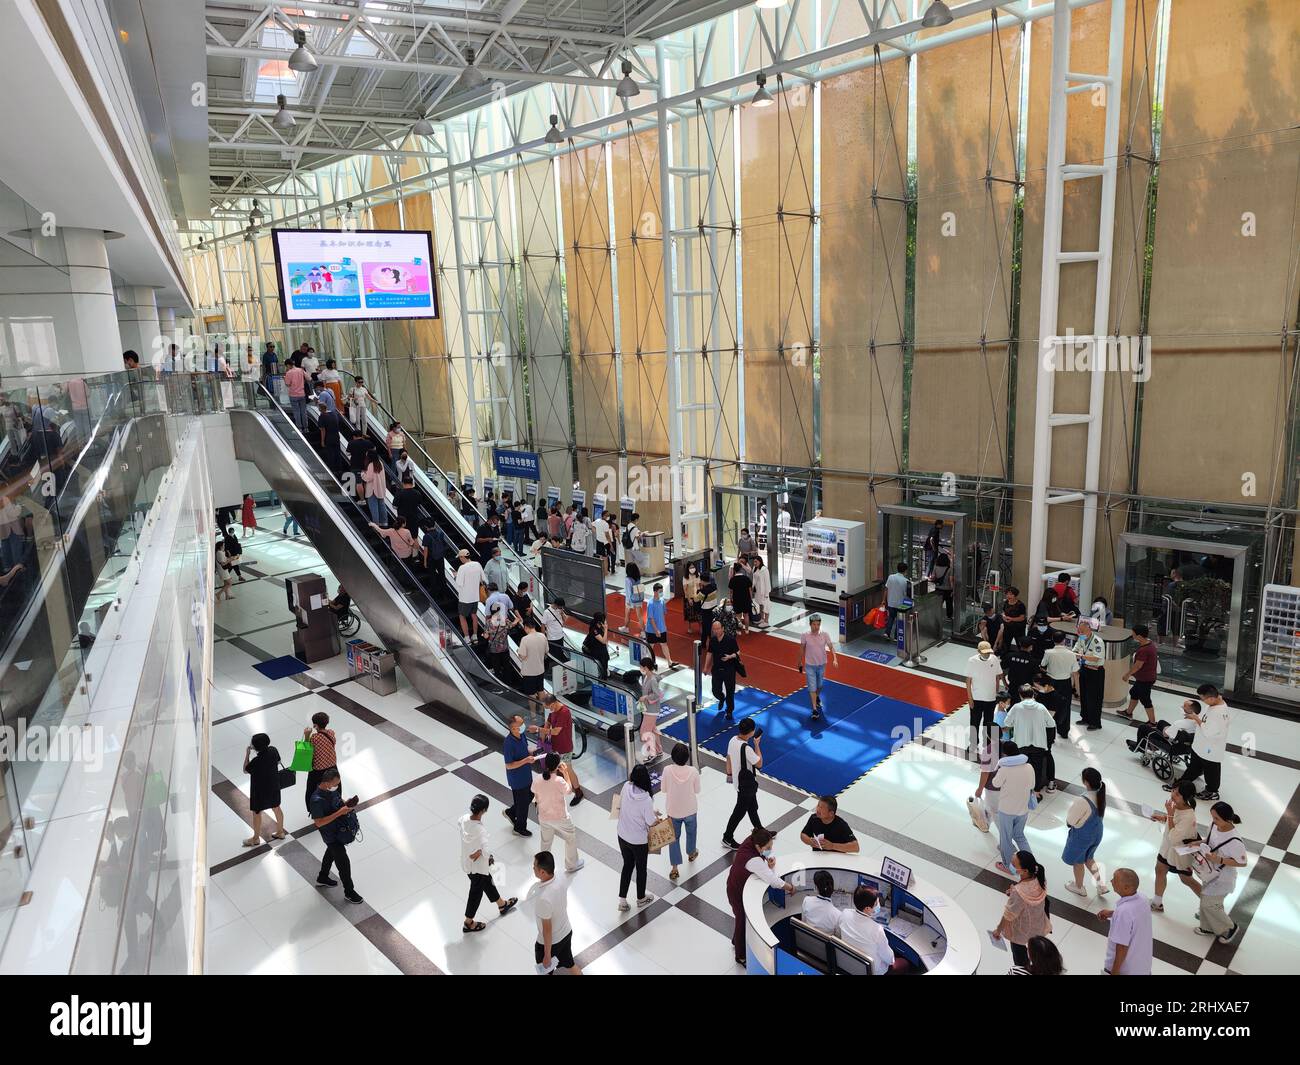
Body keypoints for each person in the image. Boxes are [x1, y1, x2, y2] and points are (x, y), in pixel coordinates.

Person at [726, 827, 794, 964]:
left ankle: (736, 941)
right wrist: (790, 887)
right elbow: (773, 880)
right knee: (742, 921)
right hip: (737, 891)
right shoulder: (753, 860)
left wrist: (768, 857)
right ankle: (740, 956)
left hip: (735, 884)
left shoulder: (751, 840)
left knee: (740, 920)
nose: (770, 849)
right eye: (768, 847)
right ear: (758, 846)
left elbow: (764, 856)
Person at [459, 793, 517, 932]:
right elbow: (485, 851)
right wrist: (481, 853)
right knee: (476, 893)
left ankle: (502, 904)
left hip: (466, 862)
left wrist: (475, 851)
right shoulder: (480, 830)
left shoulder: (462, 819)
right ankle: (468, 922)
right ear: (484, 810)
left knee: (487, 881)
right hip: (478, 867)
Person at [308, 768, 364, 904]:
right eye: (335, 784)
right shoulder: (316, 800)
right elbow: (319, 822)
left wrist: (346, 804)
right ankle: (349, 892)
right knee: (343, 862)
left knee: (331, 853)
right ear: (327, 783)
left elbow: (338, 803)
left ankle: (322, 877)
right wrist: (340, 813)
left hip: (338, 830)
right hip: (330, 834)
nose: (337, 787)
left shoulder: (331, 791)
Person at [1194, 802, 1246, 943]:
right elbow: (1210, 841)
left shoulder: (1235, 841)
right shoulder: (1214, 826)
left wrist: (1219, 859)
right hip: (1209, 870)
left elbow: (1242, 862)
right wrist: (1196, 843)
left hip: (1223, 877)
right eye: (1212, 817)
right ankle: (1207, 927)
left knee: (1209, 904)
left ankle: (1229, 928)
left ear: (1228, 819)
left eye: (1216, 818)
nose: (1213, 821)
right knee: (1207, 900)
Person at [991, 850, 1053, 969]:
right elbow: (1029, 896)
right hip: (1038, 924)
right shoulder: (1040, 879)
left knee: (1020, 959)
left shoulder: (1019, 892)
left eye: (1014, 865)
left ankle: (1023, 970)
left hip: (1021, 931)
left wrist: (998, 930)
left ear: (1025, 871)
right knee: (1035, 952)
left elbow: (1009, 915)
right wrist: (1014, 892)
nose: (1011, 866)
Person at [1171, 683, 1230, 800]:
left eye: (1203, 699)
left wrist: (1196, 718)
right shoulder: (1215, 703)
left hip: (1210, 749)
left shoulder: (1219, 713)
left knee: (1211, 771)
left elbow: (1209, 732)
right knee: (1194, 767)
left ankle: (1212, 791)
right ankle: (1180, 785)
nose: (1202, 701)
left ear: (1212, 698)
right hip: (1201, 746)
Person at [527, 850, 582, 974]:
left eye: (534, 866)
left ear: (542, 872)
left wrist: (547, 955)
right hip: (566, 932)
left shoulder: (543, 899)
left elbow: (547, 930)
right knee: (570, 965)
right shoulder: (561, 877)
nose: (533, 868)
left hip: (551, 943)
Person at [615, 763, 660, 911]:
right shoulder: (646, 799)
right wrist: (656, 817)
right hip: (638, 841)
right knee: (641, 869)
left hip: (622, 834)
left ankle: (622, 900)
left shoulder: (626, 787)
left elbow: (622, 805)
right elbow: (650, 822)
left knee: (627, 865)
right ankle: (641, 898)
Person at [1150, 780, 1199, 912]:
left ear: (1186, 797)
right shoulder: (1176, 806)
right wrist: (1163, 817)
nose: (1172, 795)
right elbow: (1173, 821)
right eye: (1173, 791)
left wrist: (1170, 814)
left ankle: (1210, 905)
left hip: (1179, 853)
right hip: (1167, 849)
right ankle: (1157, 902)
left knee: (1187, 880)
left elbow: (1174, 836)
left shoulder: (1189, 816)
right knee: (1160, 869)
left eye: (1177, 794)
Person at [532, 753, 584, 874]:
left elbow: (535, 795)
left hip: (544, 817)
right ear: (557, 766)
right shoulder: (559, 780)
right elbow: (569, 791)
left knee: (546, 842)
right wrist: (565, 773)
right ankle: (571, 864)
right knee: (570, 838)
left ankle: (543, 867)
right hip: (560, 817)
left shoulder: (537, 779)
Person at [838, 885, 906, 974]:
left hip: (850, 965)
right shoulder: (876, 929)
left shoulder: (845, 913)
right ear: (867, 908)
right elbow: (890, 959)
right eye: (876, 903)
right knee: (904, 963)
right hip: (873, 971)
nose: (878, 905)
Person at [531, 693, 583, 806]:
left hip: (564, 747)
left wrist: (538, 729)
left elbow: (556, 731)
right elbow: (548, 722)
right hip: (554, 746)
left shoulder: (564, 712)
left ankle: (578, 792)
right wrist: (543, 737)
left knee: (568, 769)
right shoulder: (554, 711)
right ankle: (550, 794)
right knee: (553, 769)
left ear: (553, 704)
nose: (548, 710)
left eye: (548, 707)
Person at [1063, 767, 1109, 897]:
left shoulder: (1082, 800)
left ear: (1086, 782)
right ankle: (1101, 885)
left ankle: (1079, 887)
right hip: (1097, 832)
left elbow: (1070, 820)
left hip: (1083, 836)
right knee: (1089, 858)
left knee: (1078, 861)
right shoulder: (1100, 796)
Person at [991, 740, 1035, 877]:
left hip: (1007, 810)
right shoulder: (1029, 766)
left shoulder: (1004, 769)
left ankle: (1009, 866)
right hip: (1023, 809)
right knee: (1020, 836)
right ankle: (1031, 864)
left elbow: (995, 783)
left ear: (1005, 754)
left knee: (1006, 838)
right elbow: (1032, 784)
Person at [1004, 684, 1055, 796]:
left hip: (1021, 744)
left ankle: (1022, 791)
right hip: (1039, 744)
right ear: (1033, 694)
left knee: (1022, 768)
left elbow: (1007, 723)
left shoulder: (1016, 707)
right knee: (1037, 769)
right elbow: (1051, 723)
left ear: (1020, 696)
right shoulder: (1041, 707)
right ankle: (1036, 793)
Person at [1099, 868, 1153, 975]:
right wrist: (1112, 913)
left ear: (1126, 887)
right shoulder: (1143, 898)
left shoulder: (1124, 912)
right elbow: (1134, 917)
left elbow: (1122, 946)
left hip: (1125, 970)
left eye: (1115, 879)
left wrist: (1114, 972)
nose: (1111, 881)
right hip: (1142, 967)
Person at [660, 742, 700, 881]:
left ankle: (675, 868)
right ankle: (691, 852)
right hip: (690, 810)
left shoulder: (666, 770)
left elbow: (663, 789)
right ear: (687, 757)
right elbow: (697, 790)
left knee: (674, 839)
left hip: (673, 811)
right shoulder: (693, 771)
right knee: (691, 833)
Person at [722, 717, 763, 848]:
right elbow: (759, 764)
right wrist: (757, 744)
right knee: (739, 812)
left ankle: (761, 831)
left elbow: (728, 758)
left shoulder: (732, 740)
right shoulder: (747, 749)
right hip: (747, 785)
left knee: (752, 808)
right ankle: (727, 837)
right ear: (751, 732)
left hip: (739, 782)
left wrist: (729, 775)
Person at [241, 733, 286, 846]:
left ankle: (256, 838)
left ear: (255, 746)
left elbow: (245, 770)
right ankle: (280, 831)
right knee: (276, 807)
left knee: (257, 813)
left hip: (259, 790)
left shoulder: (256, 761)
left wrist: (247, 754)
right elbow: (278, 762)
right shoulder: (273, 750)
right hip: (274, 786)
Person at [797, 614, 838, 720]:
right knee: (812, 687)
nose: (816, 626)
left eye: (818, 624)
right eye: (814, 624)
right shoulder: (805, 635)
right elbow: (801, 649)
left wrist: (835, 658)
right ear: (810, 624)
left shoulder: (825, 634)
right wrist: (800, 662)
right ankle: (814, 709)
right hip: (810, 665)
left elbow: (831, 647)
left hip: (821, 664)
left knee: (819, 685)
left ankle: (817, 696)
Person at [965, 640, 1003, 754]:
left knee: (989, 723)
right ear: (978, 651)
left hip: (991, 698)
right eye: (984, 652)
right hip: (976, 698)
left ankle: (988, 744)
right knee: (974, 723)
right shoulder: (972, 661)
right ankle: (973, 744)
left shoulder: (994, 659)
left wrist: (996, 692)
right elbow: (968, 681)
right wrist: (970, 698)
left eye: (988, 652)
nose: (987, 654)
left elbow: (997, 676)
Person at [501, 715, 535, 837]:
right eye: (521, 724)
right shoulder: (508, 743)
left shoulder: (522, 736)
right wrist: (525, 760)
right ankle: (519, 828)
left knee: (529, 796)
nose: (523, 726)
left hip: (526, 775)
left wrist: (532, 752)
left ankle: (511, 812)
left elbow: (525, 749)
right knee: (523, 805)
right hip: (518, 779)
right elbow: (509, 765)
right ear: (514, 728)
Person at [1041, 631, 1077, 741]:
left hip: (1051, 682)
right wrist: (1076, 689)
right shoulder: (1071, 654)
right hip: (1065, 683)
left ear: (1053, 639)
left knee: (1049, 705)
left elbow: (1043, 665)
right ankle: (1064, 730)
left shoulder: (1048, 652)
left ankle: (1048, 729)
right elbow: (1075, 671)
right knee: (1065, 706)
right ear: (1064, 640)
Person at [1072, 617, 1106, 731]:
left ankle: (1095, 722)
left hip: (1095, 671)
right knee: (1084, 696)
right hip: (1084, 669)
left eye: (1082, 631)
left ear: (1089, 629)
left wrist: (1081, 656)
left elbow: (1096, 658)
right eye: (1079, 631)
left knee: (1094, 698)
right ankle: (1085, 718)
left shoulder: (1097, 641)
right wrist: (1076, 654)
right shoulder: (1081, 638)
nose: (1080, 633)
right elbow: (1074, 650)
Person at [703, 618, 740, 720]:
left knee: (730, 691)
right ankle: (721, 697)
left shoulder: (730, 639)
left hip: (729, 670)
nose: (716, 631)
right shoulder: (713, 640)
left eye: (718, 629)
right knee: (715, 690)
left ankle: (729, 711)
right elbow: (709, 653)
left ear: (722, 628)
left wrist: (729, 657)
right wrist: (706, 667)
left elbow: (738, 653)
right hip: (716, 669)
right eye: (714, 629)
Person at [1121, 624, 1160, 723]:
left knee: (1145, 700)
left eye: (1133, 634)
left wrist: (1127, 674)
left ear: (1139, 636)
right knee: (1134, 692)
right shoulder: (1149, 643)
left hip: (1145, 679)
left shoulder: (1144, 650)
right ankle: (1128, 712)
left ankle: (1152, 722)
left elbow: (1138, 666)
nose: (1132, 635)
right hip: (1145, 677)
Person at [302, 712, 338, 816]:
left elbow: (306, 748)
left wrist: (307, 735)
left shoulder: (315, 738)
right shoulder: (331, 733)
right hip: (332, 767)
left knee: (312, 790)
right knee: (333, 788)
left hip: (318, 771)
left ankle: (314, 810)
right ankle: (334, 806)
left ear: (315, 725)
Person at [517, 617, 550, 717]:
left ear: (526, 627)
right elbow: (546, 651)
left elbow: (522, 655)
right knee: (541, 690)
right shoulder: (542, 636)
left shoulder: (525, 639)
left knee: (531, 694)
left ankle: (533, 715)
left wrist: (519, 652)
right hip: (540, 669)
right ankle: (542, 709)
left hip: (529, 672)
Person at [453, 548, 484, 638]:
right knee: (474, 615)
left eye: (460, 557)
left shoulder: (462, 568)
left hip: (465, 598)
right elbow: (483, 579)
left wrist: (456, 576)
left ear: (463, 557)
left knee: (462, 616)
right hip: (475, 596)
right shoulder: (477, 564)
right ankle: (475, 636)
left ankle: (467, 637)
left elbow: (459, 583)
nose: (460, 559)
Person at [638, 658, 664, 760]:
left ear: (645, 668)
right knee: (652, 730)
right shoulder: (647, 677)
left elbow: (658, 694)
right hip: (648, 709)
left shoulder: (652, 680)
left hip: (651, 710)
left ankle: (652, 754)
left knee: (644, 732)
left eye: (641, 667)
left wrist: (646, 698)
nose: (640, 668)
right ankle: (658, 750)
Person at [801, 869, 842, 934]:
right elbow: (837, 938)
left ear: (816, 887)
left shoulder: (807, 901)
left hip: (807, 940)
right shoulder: (838, 915)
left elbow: (803, 923)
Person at [643, 582, 671, 666]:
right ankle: (651, 662)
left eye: (662, 591)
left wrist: (664, 626)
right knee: (650, 646)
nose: (661, 593)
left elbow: (663, 614)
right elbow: (651, 619)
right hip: (652, 630)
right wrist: (656, 630)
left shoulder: (662, 601)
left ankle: (670, 661)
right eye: (660, 591)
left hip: (662, 628)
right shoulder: (650, 604)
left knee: (664, 644)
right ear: (655, 592)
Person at [884, 562, 910, 640]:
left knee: (891, 618)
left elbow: (886, 589)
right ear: (905, 570)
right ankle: (896, 637)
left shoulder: (890, 577)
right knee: (899, 619)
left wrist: (884, 600)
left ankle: (887, 633)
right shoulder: (906, 581)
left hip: (891, 602)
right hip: (900, 604)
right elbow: (907, 594)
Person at [582, 612, 610, 679]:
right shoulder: (594, 629)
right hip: (596, 649)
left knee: (605, 659)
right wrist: (606, 629)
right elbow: (603, 641)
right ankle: (603, 678)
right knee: (603, 662)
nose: (605, 621)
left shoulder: (599, 624)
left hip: (600, 647)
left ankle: (604, 673)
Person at [728, 558, 753, 635]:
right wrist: (751, 599)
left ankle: (738, 630)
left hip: (737, 600)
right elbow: (750, 590)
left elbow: (731, 592)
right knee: (746, 615)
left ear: (734, 570)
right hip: (746, 599)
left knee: (738, 616)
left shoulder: (732, 580)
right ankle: (747, 630)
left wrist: (731, 599)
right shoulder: (746, 579)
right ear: (741, 569)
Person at [361, 455, 387, 526]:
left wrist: (362, 473)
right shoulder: (380, 463)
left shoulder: (370, 465)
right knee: (381, 505)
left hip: (372, 489)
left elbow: (368, 478)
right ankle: (384, 522)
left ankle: (376, 524)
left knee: (373, 507)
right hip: (380, 488)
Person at [284, 360, 309, 431]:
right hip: (302, 394)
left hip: (293, 394)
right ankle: (306, 428)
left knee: (296, 412)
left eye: (286, 366)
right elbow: (309, 378)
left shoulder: (288, 373)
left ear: (288, 365)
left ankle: (299, 428)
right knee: (303, 411)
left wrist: (284, 378)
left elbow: (287, 384)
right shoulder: (301, 370)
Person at [750, 554, 771, 628]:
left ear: (760, 561)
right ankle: (762, 619)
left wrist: (767, 592)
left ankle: (766, 621)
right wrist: (752, 588)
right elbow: (754, 579)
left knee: (766, 606)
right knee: (760, 605)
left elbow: (767, 581)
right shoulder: (754, 569)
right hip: (758, 591)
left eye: (756, 562)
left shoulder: (764, 569)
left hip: (764, 591)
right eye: (754, 562)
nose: (754, 563)